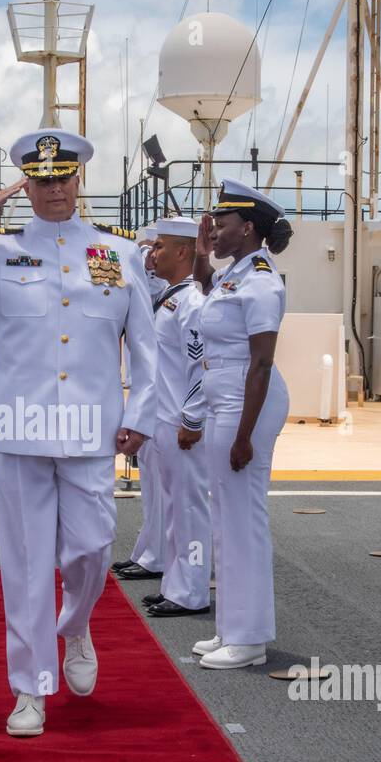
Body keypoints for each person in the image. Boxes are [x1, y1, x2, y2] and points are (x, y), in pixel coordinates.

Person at [0, 128, 157, 737]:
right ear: (26, 185)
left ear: (79, 180)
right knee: (24, 564)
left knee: (93, 549)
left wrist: (141, 415)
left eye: (62, 178)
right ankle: (29, 688)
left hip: (90, 432)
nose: (53, 190)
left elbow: (148, 351)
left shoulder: (119, 254)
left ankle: (75, 626)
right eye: (40, 181)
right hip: (18, 434)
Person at [177, 180, 291, 668]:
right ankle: (231, 627)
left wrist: (244, 435)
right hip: (226, 395)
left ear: (247, 229)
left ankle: (248, 638)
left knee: (242, 518)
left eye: (220, 225)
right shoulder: (234, 275)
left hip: (248, 399)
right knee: (224, 515)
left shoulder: (261, 279)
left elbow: (262, 362)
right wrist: (202, 255)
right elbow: (206, 303)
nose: (213, 231)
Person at [142, 216, 211, 618]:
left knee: (189, 510)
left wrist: (193, 419)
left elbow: (202, 365)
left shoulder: (191, 302)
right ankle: (175, 583)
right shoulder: (171, 296)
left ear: (183, 251)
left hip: (180, 421)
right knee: (172, 508)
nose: (153, 254)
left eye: (160, 247)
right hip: (163, 418)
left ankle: (192, 591)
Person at [113, 225, 167, 581]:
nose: (150, 255)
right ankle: (149, 552)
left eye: (158, 247)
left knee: (166, 489)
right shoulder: (152, 285)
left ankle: (160, 557)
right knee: (152, 484)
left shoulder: (173, 291)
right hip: (146, 393)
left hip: (166, 399)